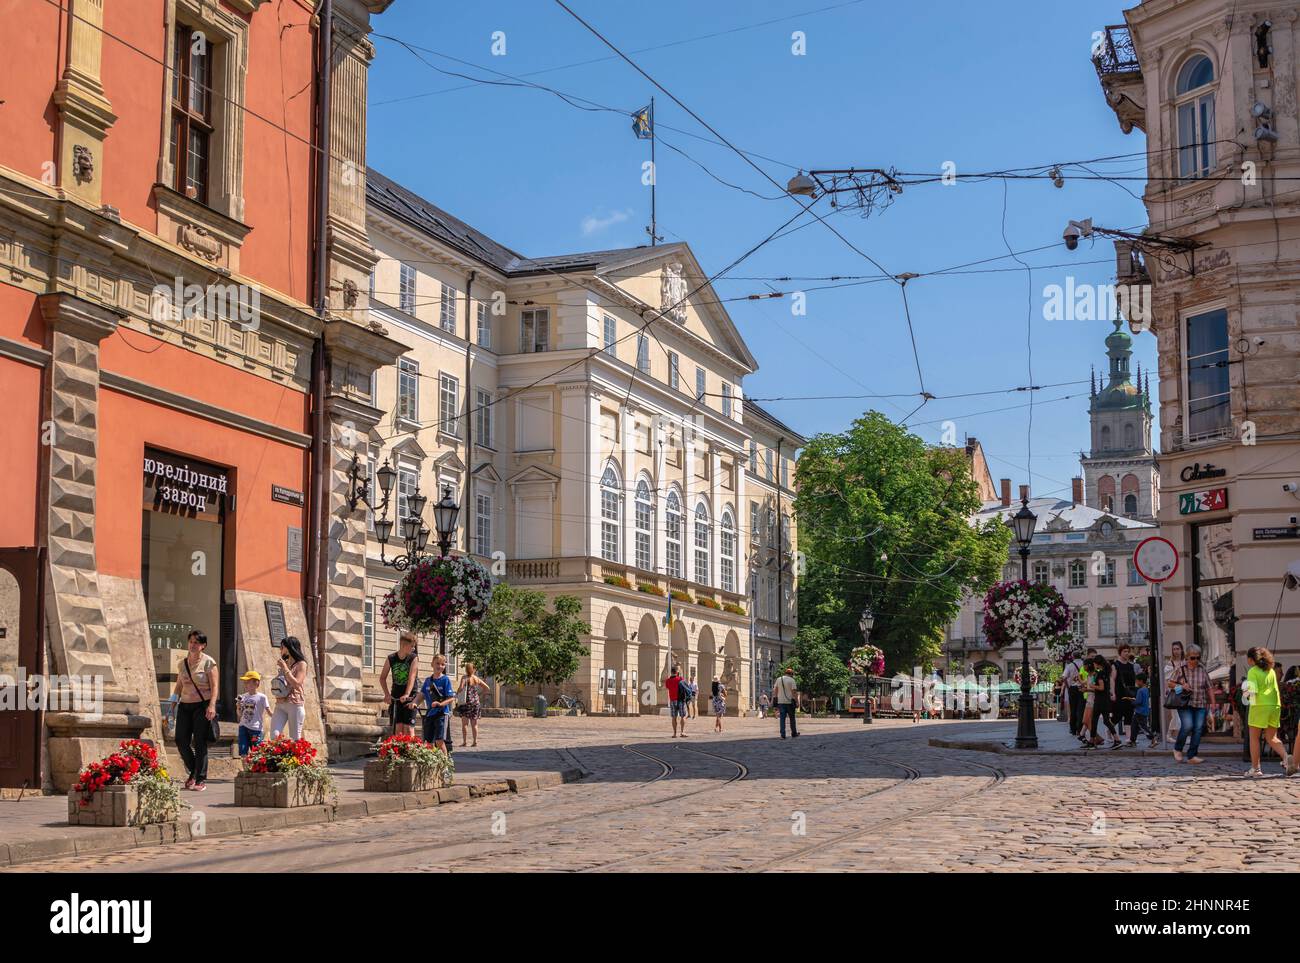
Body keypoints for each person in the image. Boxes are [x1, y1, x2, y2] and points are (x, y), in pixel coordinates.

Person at [172, 630, 218, 791]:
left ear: (203, 646)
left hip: (202, 706)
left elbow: (215, 687)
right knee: (180, 740)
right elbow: (178, 686)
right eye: (191, 641)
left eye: (196, 642)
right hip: (185, 706)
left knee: (199, 742)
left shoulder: (208, 663)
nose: (193, 645)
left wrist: (212, 706)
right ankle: (194, 770)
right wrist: (172, 705)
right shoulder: (182, 663)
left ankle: (200, 778)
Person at [1243, 647, 1289, 777]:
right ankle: (1286, 757)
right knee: (1272, 737)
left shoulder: (1253, 671)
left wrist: (1244, 693)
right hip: (1275, 705)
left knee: (1254, 738)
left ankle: (1256, 769)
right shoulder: (1272, 671)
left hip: (1259, 706)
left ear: (1251, 660)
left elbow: (1252, 692)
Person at [1167, 644, 1215, 764]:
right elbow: (1170, 684)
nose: (1195, 660)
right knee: (1188, 726)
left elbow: (1209, 687)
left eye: (1198, 657)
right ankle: (1178, 749)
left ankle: (1192, 755)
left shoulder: (1202, 669)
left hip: (1201, 703)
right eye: (1193, 658)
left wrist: (1213, 702)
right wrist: (1181, 686)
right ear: (1187, 657)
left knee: (1198, 729)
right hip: (1185, 703)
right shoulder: (1180, 668)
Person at [269, 635, 309, 740]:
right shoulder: (285, 663)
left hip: (295, 703)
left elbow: (297, 683)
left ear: (289, 647)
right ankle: (279, 756)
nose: (280, 649)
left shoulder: (301, 664)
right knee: (274, 735)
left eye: (282, 647)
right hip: (281, 702)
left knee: (295, 737)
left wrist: (285, 668)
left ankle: (295, 757)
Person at [381, 632, 419, 737]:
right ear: (403, 645)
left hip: (410, 697)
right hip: (396, 697)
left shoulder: (413, 658)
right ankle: (398, 752)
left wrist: (407, 694)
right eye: (411, 646)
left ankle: (410, 752)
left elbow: (412, 677)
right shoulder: (391, 658)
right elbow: (382, 678)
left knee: (408, 729)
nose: (413, 649)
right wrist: (387, 694)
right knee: (398, 729)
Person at [421, 653, 455, 751]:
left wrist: (441, 704)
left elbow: (451, 698)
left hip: (441, 714)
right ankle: (431, 763)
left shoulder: (445, 680)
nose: (440, 666)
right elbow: (422, 694)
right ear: (432, 664)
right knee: (428, 742)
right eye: (437, 663)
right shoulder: (428, 680)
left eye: (442, 664)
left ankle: (445, 763)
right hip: (430, 713)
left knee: (439, 741)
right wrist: (414, 702)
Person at [235, 670, 270, 760]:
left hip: (256, 728)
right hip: (243, 726)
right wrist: (238, 706)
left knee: (256, 752)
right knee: (243, 752)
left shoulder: (262, 697)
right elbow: (239, 714)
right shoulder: (243, 696)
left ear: (256, 684)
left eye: (248, 682)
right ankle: (245, 772)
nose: (245, 684)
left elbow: (269, 711)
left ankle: (255, 772)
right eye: (245, 682)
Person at [1087, 656, 1120, 749]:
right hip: (1105, 699)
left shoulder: (1100, 673)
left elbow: (1101, 688)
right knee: (1105, 721)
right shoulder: (1105, 672)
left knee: (1095, 720)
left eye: (1094, 663)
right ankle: (1116, 739)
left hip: (1100, 700)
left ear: (1097, 663)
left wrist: (1092, 686)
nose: (1093, 665)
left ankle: (1092, 741)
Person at [455, 661, 490, 748]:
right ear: (474, 669)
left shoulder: (464, 678)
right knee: (474, 724)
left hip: (466, 703)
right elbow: (487, 688)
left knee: (465, 724)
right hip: (475, 703)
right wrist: (479, 694)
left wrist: (457, 692)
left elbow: (461, 688)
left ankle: (465, 742)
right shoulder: (476, 678)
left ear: (466, 669)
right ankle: (475, 742)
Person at [1110, 645, 1139, 747]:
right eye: (1124, 651)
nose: (1126, 653)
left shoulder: (1131, 665)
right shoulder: (1115, 665)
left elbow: (1134, 681)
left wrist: (1136, 692)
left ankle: (1128, 739)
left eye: (1128, 651)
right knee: (1117, 716)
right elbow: (1112, 679)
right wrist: (1113, 693)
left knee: (1129, 715)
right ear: (1120, 652)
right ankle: (1109, 729)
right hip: (1119, 693)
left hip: (1130, 693)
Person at [1163, 641, 1187, 744]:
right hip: (1175, 690)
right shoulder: (1170, 663)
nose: (1176, 651)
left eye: (1177, 649)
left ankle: (1177, 736)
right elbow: (1167, 680)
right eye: (1174, 649)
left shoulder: (1186, 662)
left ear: (1181, 649)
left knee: (1183, 715)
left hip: (1185, 691)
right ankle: (1169, 735)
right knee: (1176, 715)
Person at [773, 666, 799, 739]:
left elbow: (775, 690)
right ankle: (794, 733)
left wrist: (775, 699)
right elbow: (794, 692)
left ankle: (782, 734)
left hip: (781, 701)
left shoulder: (779, 679)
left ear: (785, 673)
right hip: (790, 702)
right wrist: (797, 701)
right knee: (792, 718)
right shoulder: (792, 680)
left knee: (782, 718)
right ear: (791, 674)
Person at [663, 665, 688, 738]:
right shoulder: (680, 679)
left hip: (672, 700)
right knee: (682, 716)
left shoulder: (668, 680)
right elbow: (685, 686)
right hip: (680, 700)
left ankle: (674, 733)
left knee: (674, 717)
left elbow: (667, 687)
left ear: (671, 672)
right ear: (677, 672)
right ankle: (682, 732)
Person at [1132, 673, 1156, 748]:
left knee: (1143, 727)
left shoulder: (1140, 690)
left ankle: (1153, 739)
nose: (1136, 682)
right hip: (1144, 711)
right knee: (1134, 726)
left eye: (1137, 681)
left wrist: (1132, 701)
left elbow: (1138, 701)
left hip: (1139, 711)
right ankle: (1132, 741)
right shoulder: (1146, 689)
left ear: (1141, 681)